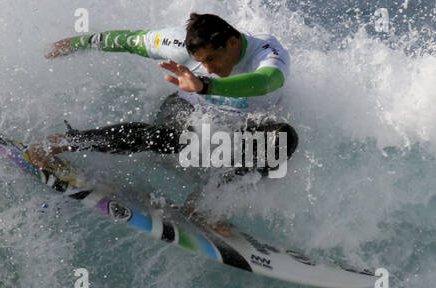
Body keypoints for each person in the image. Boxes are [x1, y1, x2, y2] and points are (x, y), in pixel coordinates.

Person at [29, 12, 298, 179]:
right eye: (201, 63)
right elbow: (128, 41)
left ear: (232, 42)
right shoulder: (179, 43)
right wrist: (75, 44)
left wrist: (205, 85)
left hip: (238, 133)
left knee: (283, 138)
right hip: (187, 114)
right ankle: (63, 141)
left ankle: (211, 204)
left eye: (212, 60)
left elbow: (265, 82)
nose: (208, 69)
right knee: (172, 136)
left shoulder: (267, 52)